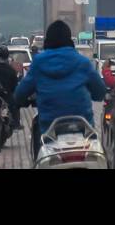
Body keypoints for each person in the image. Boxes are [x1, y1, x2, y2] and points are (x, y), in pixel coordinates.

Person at [14, 20, 107, 157]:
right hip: (83, 128)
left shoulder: (39, 63)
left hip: (50, 129)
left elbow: (20, 94)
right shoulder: (82, 63)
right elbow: (100, 92)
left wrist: (18, 100)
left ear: (47, 40)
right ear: (70, 40)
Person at [0, 46, 21, 129]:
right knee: (15, 106)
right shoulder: (11, 70)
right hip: (6, 96)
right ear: (7, 57)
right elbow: (14, 86)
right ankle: (16, 124)